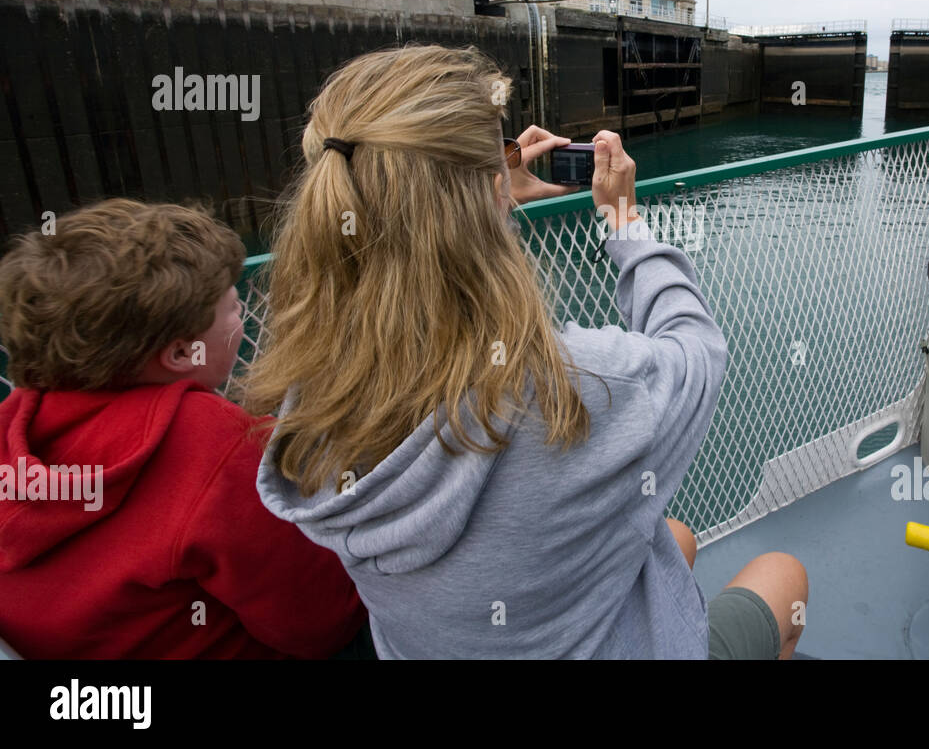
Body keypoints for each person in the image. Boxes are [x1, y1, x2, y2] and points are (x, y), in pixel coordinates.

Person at [248, 43, 808, 659]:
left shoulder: (311, 395)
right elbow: (698, 350)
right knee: (784, 576)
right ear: (489, 186)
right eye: (502, 153)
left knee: (677, 535)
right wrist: (622, 222)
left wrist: (491, 201)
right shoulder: (581, 388)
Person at [0, 199, 367, 658]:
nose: (244, 317)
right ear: (179, 355)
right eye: (234, 308)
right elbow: (322, 622)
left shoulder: (15, 418)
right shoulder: (210, 439)